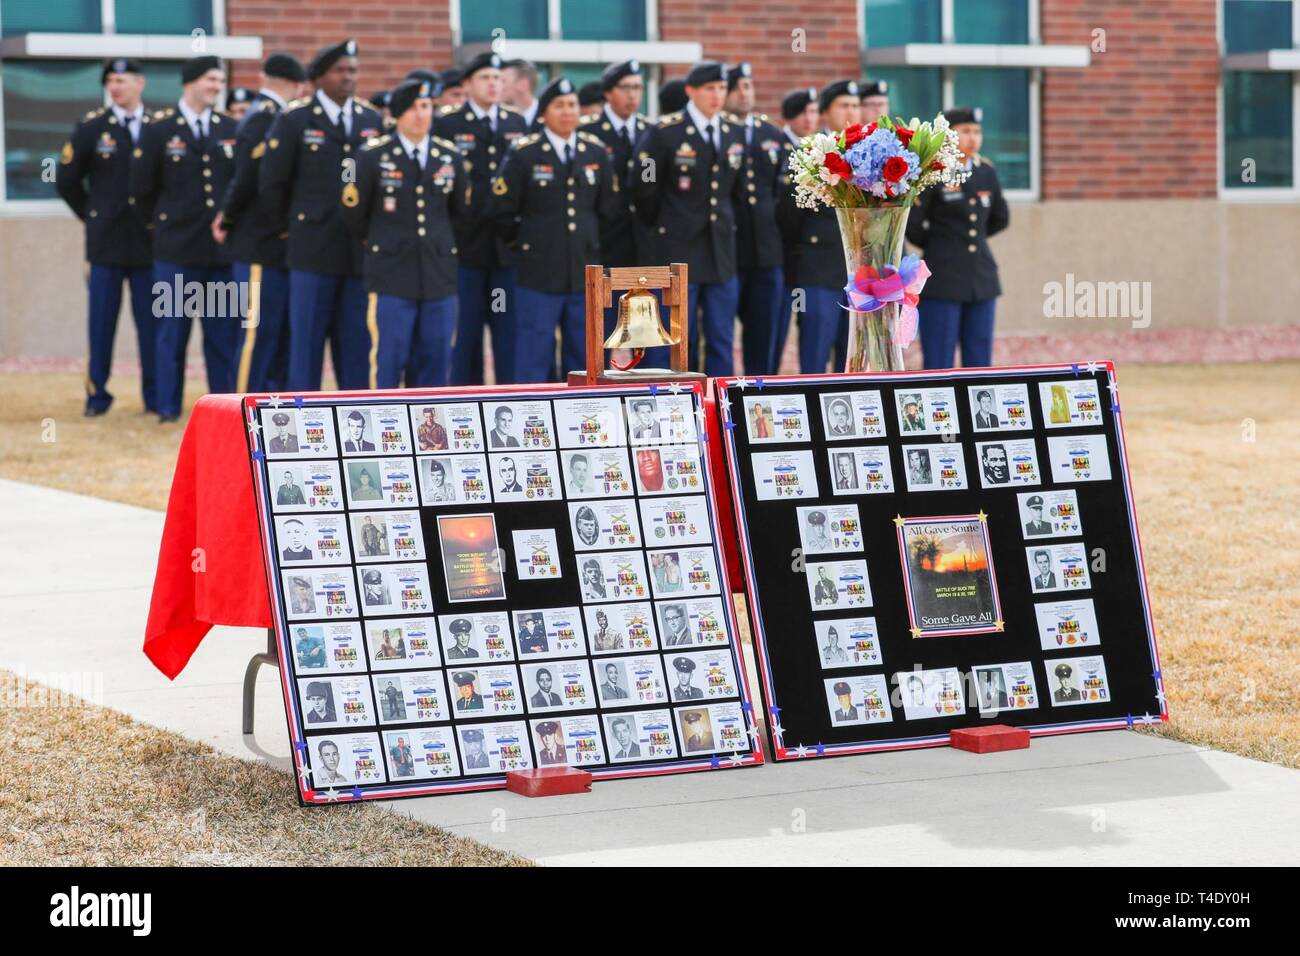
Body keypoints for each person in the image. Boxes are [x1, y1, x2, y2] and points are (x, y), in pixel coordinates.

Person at [259, 39, 383, 392]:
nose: (349, 77)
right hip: (311, 252)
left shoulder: (370, 119)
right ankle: (303, 424)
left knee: (356, 346)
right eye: (340, 71)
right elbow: (272, 185)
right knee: (306, 346)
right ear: (319, 77)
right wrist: (288, 231)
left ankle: (356, 417)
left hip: (357, 255)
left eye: (353, 71)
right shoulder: (295, 119)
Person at [129, 55, 238, 423]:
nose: (216, 86)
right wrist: (165, 227)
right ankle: (167, 408)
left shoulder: (229, 128)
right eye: (210, 79)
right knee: (171, 336)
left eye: (219, 80)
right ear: (190, 82)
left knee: (222, 339)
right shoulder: (160, 129)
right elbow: (141, 191)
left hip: (221, 257)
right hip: (176, 254)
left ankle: (224, 411)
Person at [488, 76, 619, 383]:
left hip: (583, 273)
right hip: (538, 274)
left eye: (572, 105)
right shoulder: (525, 153)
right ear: (544, 114)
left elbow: (610, 211)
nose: (567, 112)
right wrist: (525, 246)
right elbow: (500, 212)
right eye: (558, 106)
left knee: (585, 359)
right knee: (533, 357)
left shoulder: (595, 152)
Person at [341, 77, 466, 388]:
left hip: (438, 274)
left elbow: (461, 213)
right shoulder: (371, 156)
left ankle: (431, 435)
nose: (421, 114)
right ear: (396, 115)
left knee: (436, 360)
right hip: (391, 275)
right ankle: (381, 431)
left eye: (426, 107)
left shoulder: (449, 156)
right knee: (387, 360)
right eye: (412, 108)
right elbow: (354, 214)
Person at [629, 61, 746, 376]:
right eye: (709, 89)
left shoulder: (733, 131)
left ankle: (719, 407)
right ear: (691, 91)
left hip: (719, 251)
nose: (717, 95)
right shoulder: (666, 131)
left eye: (722, 88)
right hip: (677, 250)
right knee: (678, 337)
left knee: (722, 337)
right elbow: (643, 188)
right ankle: (674, 404)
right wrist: (662, 230)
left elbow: (735, 192)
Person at [56, 57, 157, 418]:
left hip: (148, 245)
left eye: (122, 79)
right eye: (111, 80)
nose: (116, 86)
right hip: (105, 245)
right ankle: (97, 395)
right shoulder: (92, 128)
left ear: (140, 83)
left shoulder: (157, 126)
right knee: (101, 324)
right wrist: (91, 215)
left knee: (152, 325)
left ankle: (156, 396)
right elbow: (65, 179)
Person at [435, 51, 528, 385]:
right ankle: (464, 403)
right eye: (485, 78)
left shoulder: (515, 123)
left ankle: (509, 399)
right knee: (466, 334)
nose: (493, 85)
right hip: (465, 251)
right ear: (468, 84)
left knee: (507, 331)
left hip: (504, 250)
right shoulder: (448, 123)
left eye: (497, 78)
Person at [906, 106, 1009, 369]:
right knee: (939, 358)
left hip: (981, 277)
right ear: (950, 135)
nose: (973, 138)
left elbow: (1000, 218)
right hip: (944, 276)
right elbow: (913, 224)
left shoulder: (986, 171)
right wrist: (942, 242)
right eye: (965, 132)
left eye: (977, 132)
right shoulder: (934, 172)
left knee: (979, 357)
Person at [776, 80, 861, 374]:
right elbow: (788, 215)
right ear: (825, 112)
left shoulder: (867, 151)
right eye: (843, 106)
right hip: (816, 269)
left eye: (854, 105)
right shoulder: (811, 153)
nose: (851, 111)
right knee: (815, 355)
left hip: (857, 271)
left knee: (851, 357)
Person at [581, 60, 661, 361]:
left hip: (643, 241)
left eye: (638, 88)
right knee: (602, 328)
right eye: (625, 88)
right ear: (607, 93)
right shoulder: (590, 133)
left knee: (645, 325)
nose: (633, 95)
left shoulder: (650, 131)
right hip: (604, 241)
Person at [724, 63, 785, 378]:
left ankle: (761, 390)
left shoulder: (770, 133)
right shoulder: (717, 132)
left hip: (765, 251)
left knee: (764, 334)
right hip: (727, 252)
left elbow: (781, 193)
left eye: (748, 86)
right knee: (719, 336)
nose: (744, 93)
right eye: (737, 87)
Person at [772, 87, 819, 374]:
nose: (809, 119)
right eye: (803, 112)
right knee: (775, 330)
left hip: (808, 258)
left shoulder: (816, 151)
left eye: (813, 111)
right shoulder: (778, 147)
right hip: (783, 253)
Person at [501, 59, 540, 129]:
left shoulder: (550, 117)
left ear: (523, 84)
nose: (497, 86)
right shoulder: (498, 120)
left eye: (503, 81)